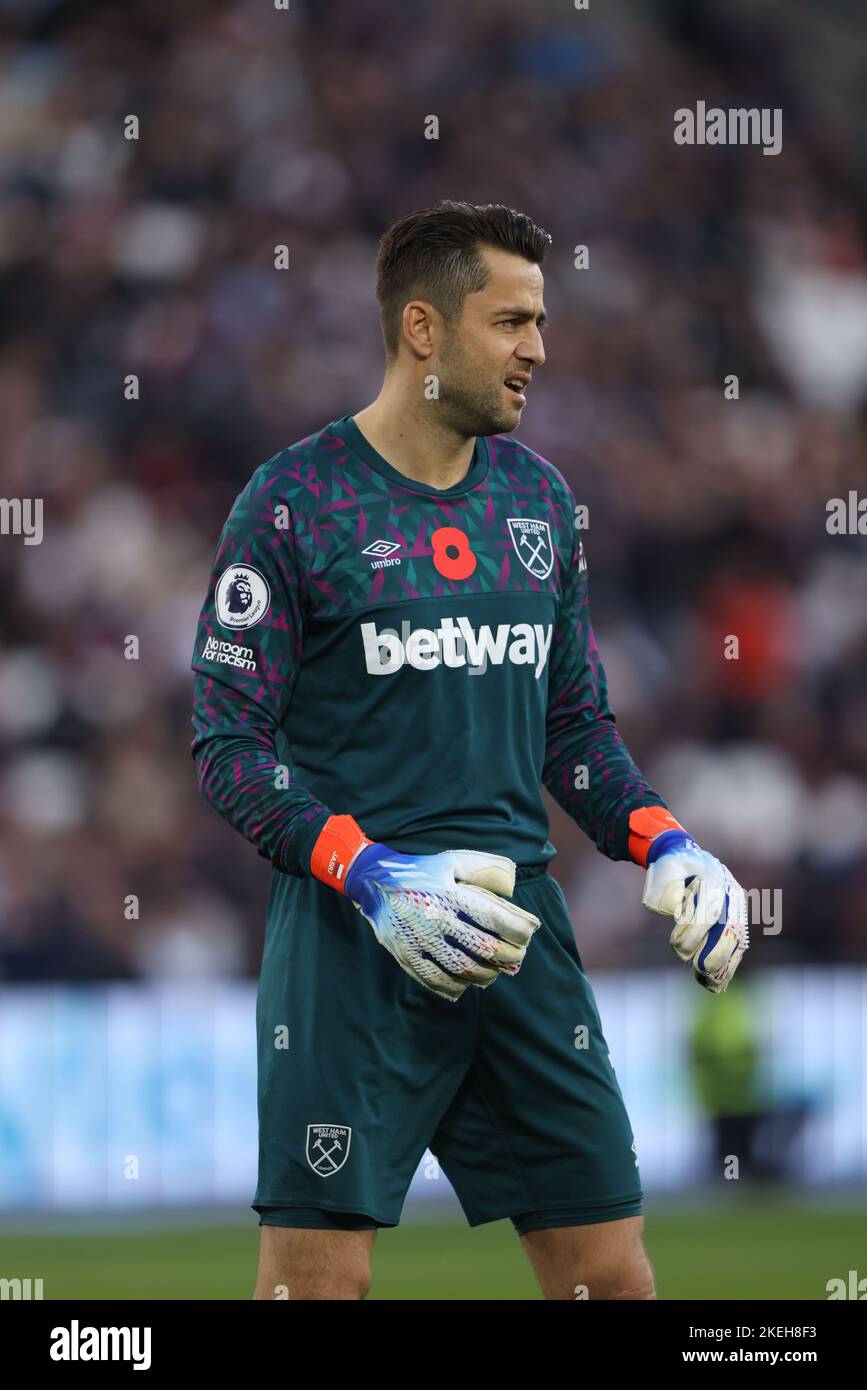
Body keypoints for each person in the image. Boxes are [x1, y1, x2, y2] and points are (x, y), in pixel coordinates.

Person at [190, 200, 749, 1300]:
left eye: (540, 322)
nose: (539, 348)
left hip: (520, 941)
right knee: (313, 1289)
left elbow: (575, 729)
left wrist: (666, 839)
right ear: (423, 329)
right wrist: (373, 872)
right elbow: (228, 747)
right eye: (512, 321)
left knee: (612, 1276)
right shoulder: (295, 503)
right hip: (356, 942)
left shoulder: (539, 501)